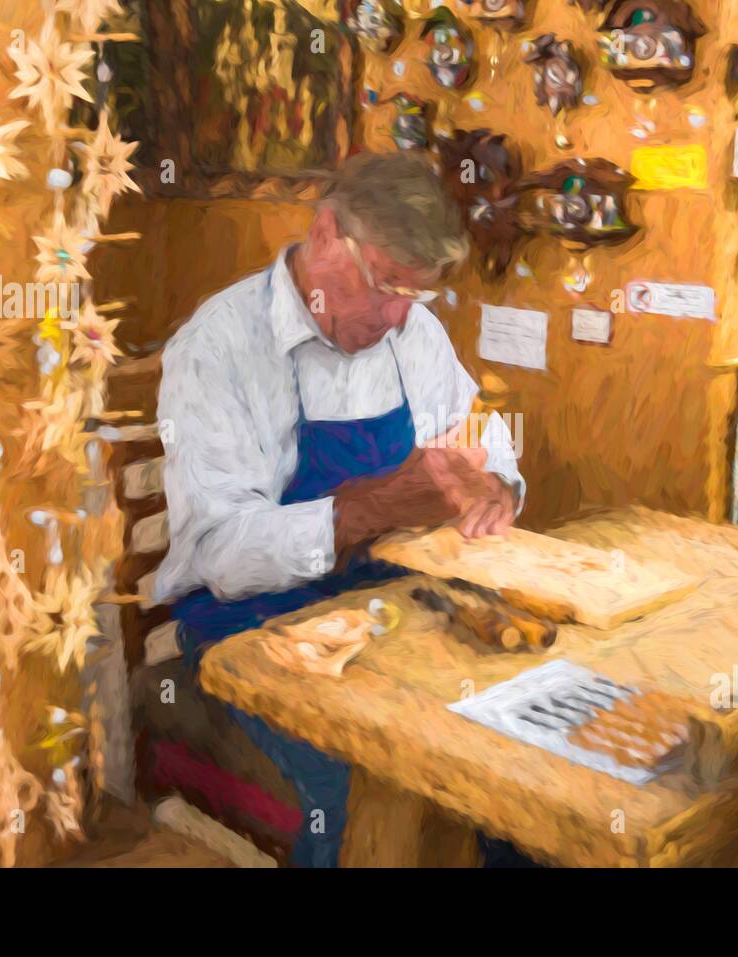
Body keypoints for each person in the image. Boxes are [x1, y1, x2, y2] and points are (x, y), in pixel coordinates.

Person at [154, 152, 525, 866]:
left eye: (414, 297)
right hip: (251, 622)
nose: (394, 317)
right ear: (325, 233)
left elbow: (485, 439)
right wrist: (377, 506)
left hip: (383, 604)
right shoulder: (220, 344)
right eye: (383, 285)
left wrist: (497, 488)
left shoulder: (414, 332)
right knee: (366, 784)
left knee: (506, 748)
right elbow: (220, 553)